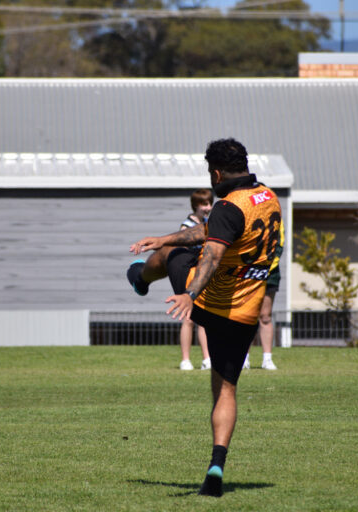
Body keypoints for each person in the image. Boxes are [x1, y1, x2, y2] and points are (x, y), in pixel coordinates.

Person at [127, 138, 282, 497]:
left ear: (215, 173)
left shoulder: (229, 206)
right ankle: (216, 466)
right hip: (246, 312)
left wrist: (188, 294)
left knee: (173, 255)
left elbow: (210, 255)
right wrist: (163, 236)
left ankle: (139, 278)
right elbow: (214, 231)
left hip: (211, 301)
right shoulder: (267, 197)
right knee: (226, 387)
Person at [177, 189, 212, 371]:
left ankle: (207, 359)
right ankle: (185, 360)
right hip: (189, 274)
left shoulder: (209, 223)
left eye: (209, 203)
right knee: (189, 318)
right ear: (196, 205)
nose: (208, 207)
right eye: (204, 204)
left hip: (203, 275)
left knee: (203, 317)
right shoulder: (187, 225)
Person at [242, 233, 283, 371]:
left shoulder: (275, 216)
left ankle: (267, 359)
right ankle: (243, 358)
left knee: (265, 316)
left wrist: (268, 265)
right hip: (248, 271)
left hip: (270, 271)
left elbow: (279, 243)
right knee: (246, 315)